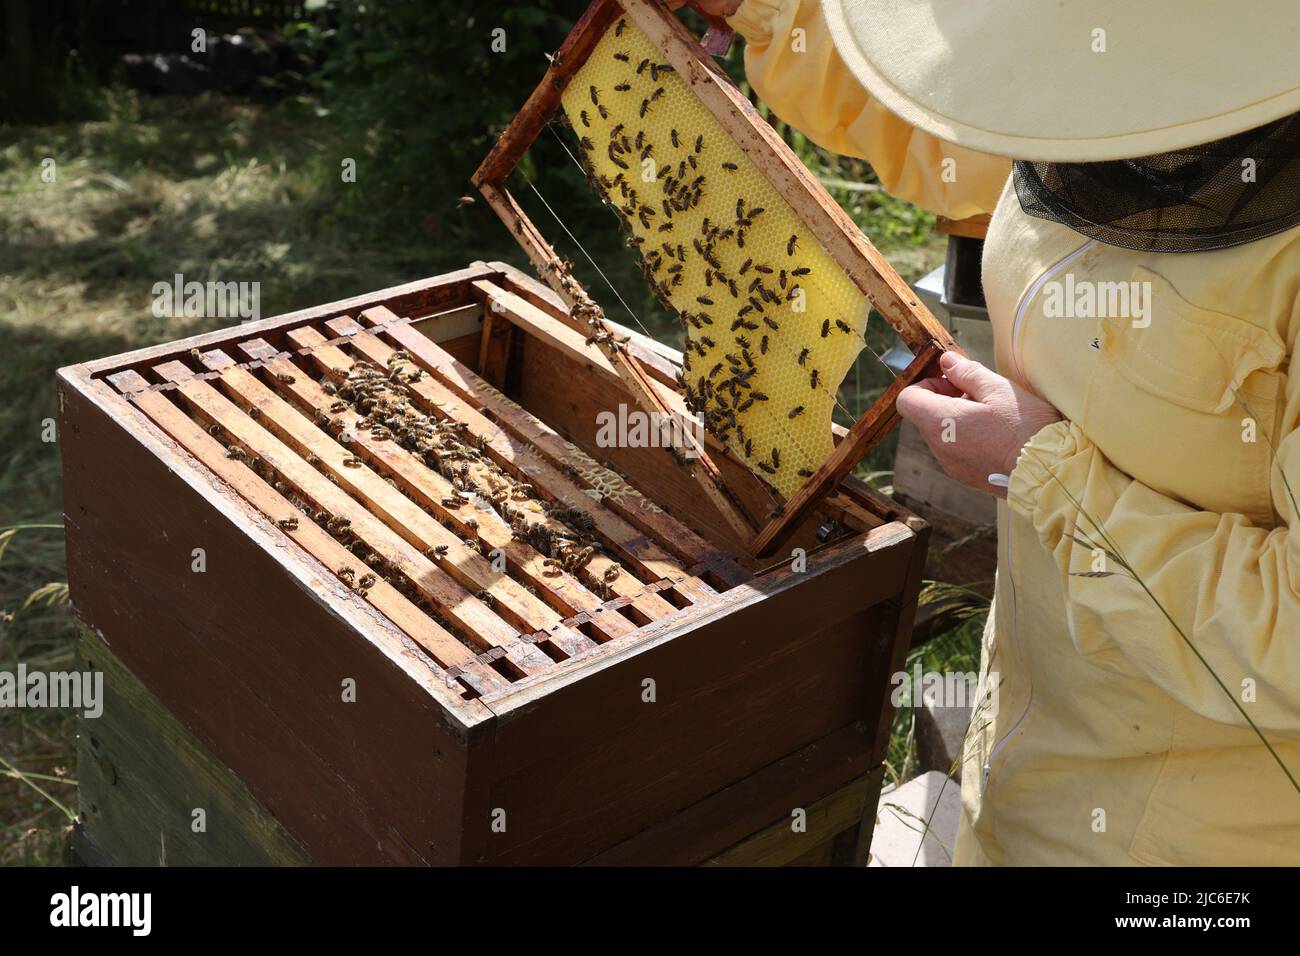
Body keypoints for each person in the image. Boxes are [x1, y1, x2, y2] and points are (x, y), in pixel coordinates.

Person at [678, 0, 1300, 864]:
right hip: (1033, 733)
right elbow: (960, 125)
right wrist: (768, 11)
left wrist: (1038, 471)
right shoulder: (1103, 73)